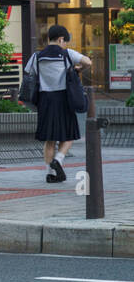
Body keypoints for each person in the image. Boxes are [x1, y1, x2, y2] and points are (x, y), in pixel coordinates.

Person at [24, 25, 92, 183]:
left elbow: (30, 74)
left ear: (49, 39)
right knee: (70, 134)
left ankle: (50, 173)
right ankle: (59, 160)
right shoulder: (67, 54)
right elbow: (88, 62)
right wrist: (78, 69)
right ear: (61, 39)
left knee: (49, 139)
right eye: (65, 41)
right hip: (63, 99)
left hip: (45, 101)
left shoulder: (37, 56)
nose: (65, 45)